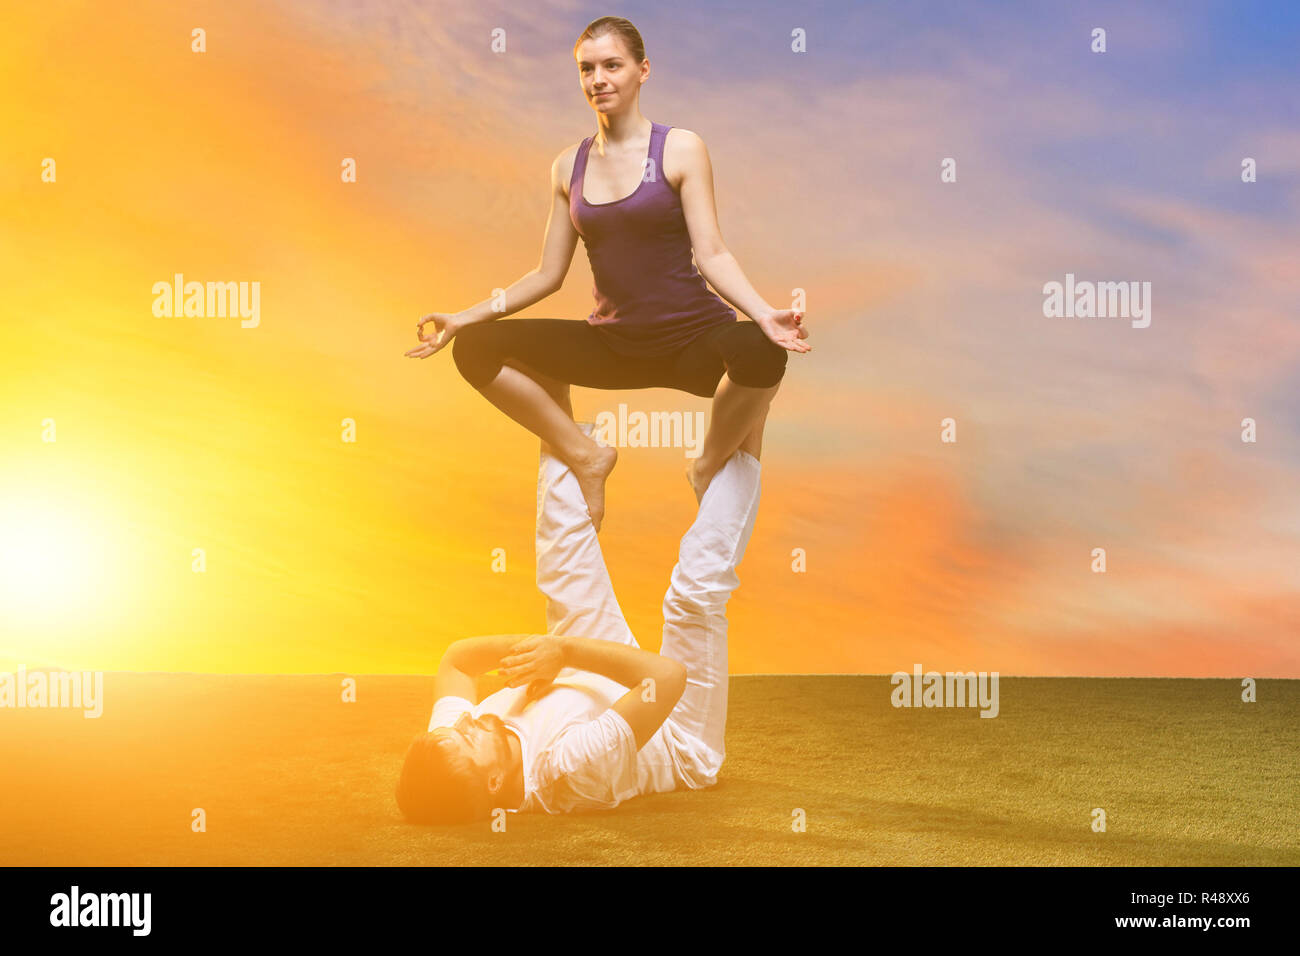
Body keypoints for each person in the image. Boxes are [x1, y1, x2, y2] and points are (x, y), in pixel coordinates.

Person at [403, 15, 808, 532]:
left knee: (760, 351)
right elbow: (547, 274)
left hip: (693, 344)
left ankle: (705, 466)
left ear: (642, 70)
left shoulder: (681, 148)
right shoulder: (566, 166)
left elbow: (712, 253)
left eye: (612, 65)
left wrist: (764, 315)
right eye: (587, 68)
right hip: (613, 345)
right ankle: (588, 455)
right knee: (476, 349)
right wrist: (463, 318)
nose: (599, 79)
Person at [395, 421, 763, 822]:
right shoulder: (568, 771)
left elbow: (457, 660)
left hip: (582, 676)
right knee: (693, 596)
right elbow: (668, 678)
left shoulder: (449, 743)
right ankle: (741, 434)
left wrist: (543, 651)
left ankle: (553, 372)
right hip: (671, 728)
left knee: (560, 556)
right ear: (495, 782)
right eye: (467, 736)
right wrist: (564, 650)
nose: (465, 719)